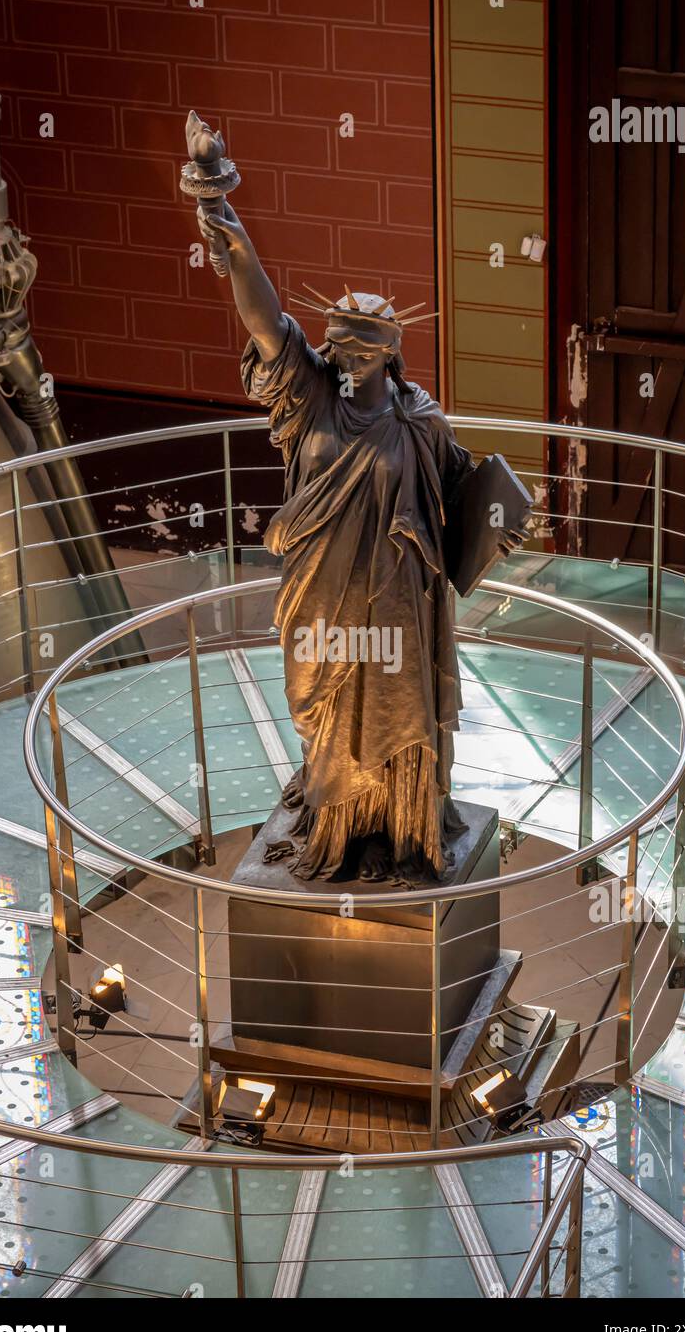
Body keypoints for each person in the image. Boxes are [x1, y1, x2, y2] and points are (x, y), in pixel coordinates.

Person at [199, 202, 524, 883]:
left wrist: (501, 522)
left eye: (356, 349)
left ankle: (396, 832)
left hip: (399, 600)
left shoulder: (420, 418)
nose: (340, 356)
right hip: (321, 594)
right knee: (328, 712)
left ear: (386, 353)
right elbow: (265, 322)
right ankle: (337, 827)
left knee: (398, 719)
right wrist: (229, 226)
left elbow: (462, 488)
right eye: (335, 345)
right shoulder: (309, 398)